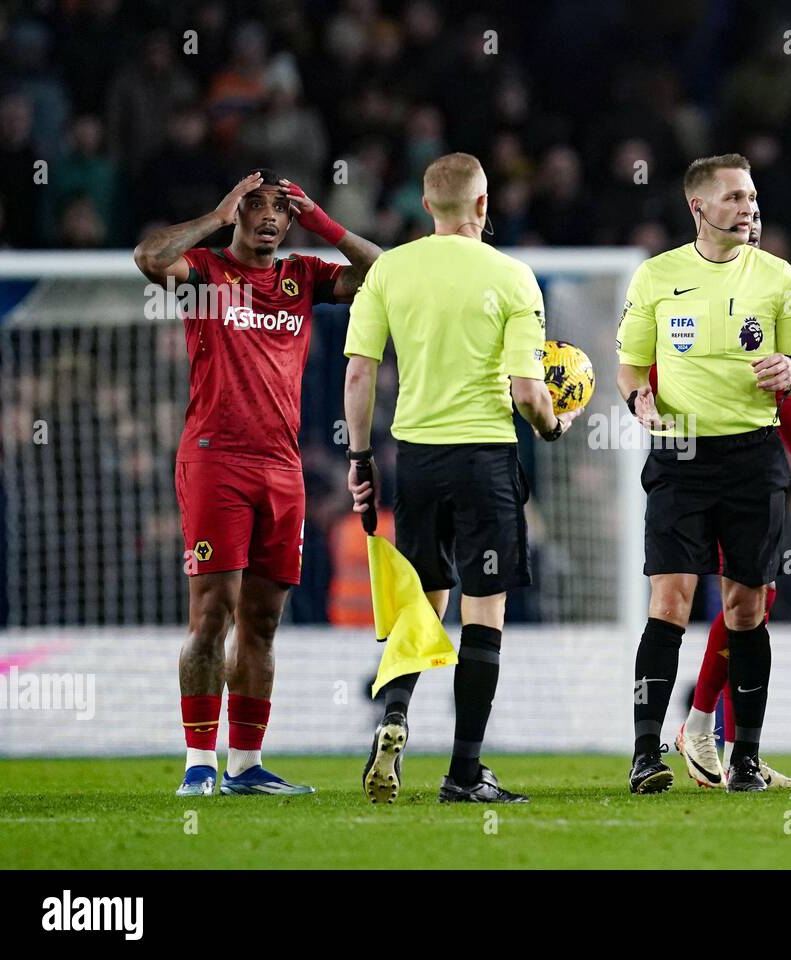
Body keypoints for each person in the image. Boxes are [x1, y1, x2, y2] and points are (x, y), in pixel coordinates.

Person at [134, 169, 382, 796]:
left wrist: (324, 223)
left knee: (263, 623)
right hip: (216, 462)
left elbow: (389, 277)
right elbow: (148, 257)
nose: (269, 216)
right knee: (211, 615)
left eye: (280, 208)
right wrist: (216, 216)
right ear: (238, 212)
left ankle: (244, 765)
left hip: (282, 468)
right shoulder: (208, 278)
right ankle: (197, 764)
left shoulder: (303, 276)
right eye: (256, 206)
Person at [344, 153, 578, 804]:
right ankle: (465, 772)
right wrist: (553, 427)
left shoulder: (390, 269)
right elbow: (528, 391)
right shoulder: (513, 277)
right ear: (482, 206)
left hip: (415, 461)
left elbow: (359, 374)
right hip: (484, 460)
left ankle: (393, 716)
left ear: (427, 207)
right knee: (484, 611)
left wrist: (360, 460)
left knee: (422, 604)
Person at [617, 153, 791, 794]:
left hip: (753, 456)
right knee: (669, 602)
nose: (748, 207)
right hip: (679, 455)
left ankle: (746, 758)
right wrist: (636, 400)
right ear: (698, 207)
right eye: (734, 197)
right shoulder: (655, 276)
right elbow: (629, 366)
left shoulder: (780, 279)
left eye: (752, 196)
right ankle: (647, 754)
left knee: (746, 606)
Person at [673, 212, 791, 790]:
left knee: (753, 602)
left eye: (760, 218)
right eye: (743, 216)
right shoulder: (691, 295)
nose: (753, 228)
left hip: (753, 471)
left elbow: (786, 393)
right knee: (746, 602)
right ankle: (700, 729)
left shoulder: (766, 297)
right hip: (700, 470)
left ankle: (735, 749)